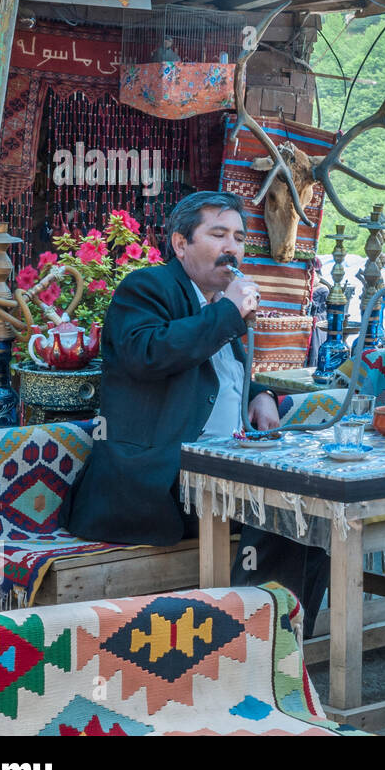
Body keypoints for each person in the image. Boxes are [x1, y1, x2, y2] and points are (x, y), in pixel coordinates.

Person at [61, 191, 328, 625]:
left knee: (310, 511)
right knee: (285, 510)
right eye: (218, 234)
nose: (233, 248)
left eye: (239, 238)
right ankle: (253, 637)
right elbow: (148, 354)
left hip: (216, 474)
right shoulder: (147, 288)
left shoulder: (219, 309)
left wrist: (260, 392)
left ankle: (275, 636)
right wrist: (227, 313)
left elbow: (213, 371)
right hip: (158, 479)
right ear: (180, 244)